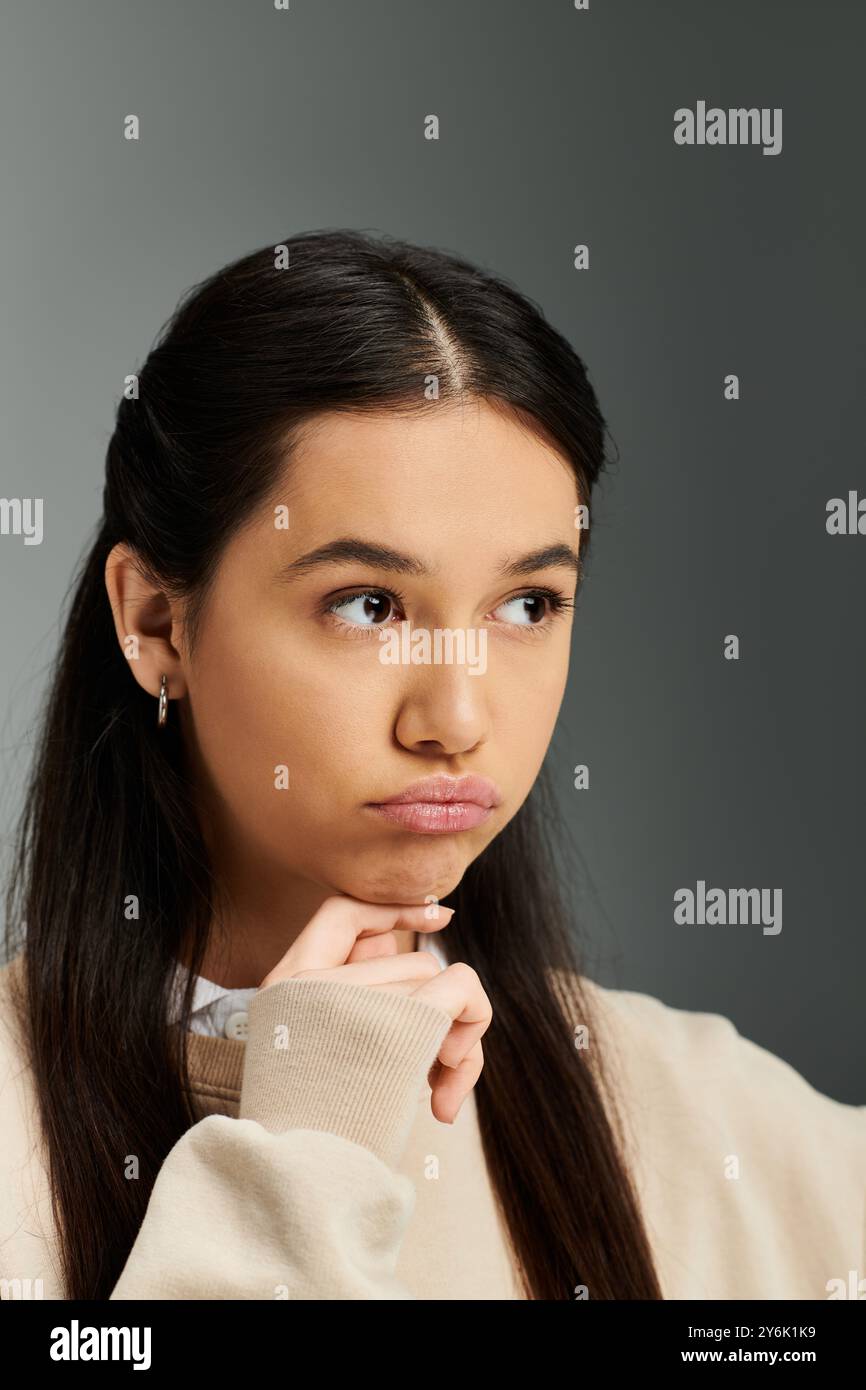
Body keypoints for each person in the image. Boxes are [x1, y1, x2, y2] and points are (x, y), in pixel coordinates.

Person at [1, 230, 863, 1302]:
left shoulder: (700, 1117)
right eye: (368, 605)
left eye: (525, 606)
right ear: (155, 623)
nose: (455, 715)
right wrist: (303, 1151)